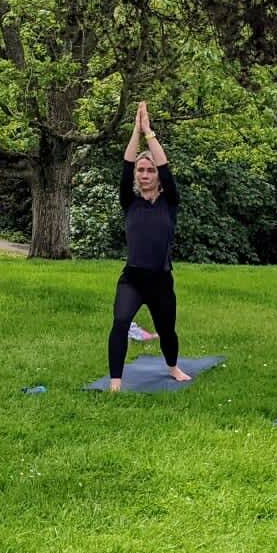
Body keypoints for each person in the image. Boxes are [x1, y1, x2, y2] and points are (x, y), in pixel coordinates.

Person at [107, 101, 187, 392]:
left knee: (167, 330)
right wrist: (135, 132)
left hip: (161, 280)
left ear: (157, 177)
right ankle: (116, 381)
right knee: (120, 322)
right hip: (133, 279)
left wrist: (149, 132)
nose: (144, 174)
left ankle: (173, 367)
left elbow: (165, 166)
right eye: (141, 170)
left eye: (149, 171)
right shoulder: (130, 202)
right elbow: (126, 165)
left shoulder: (169, 202)